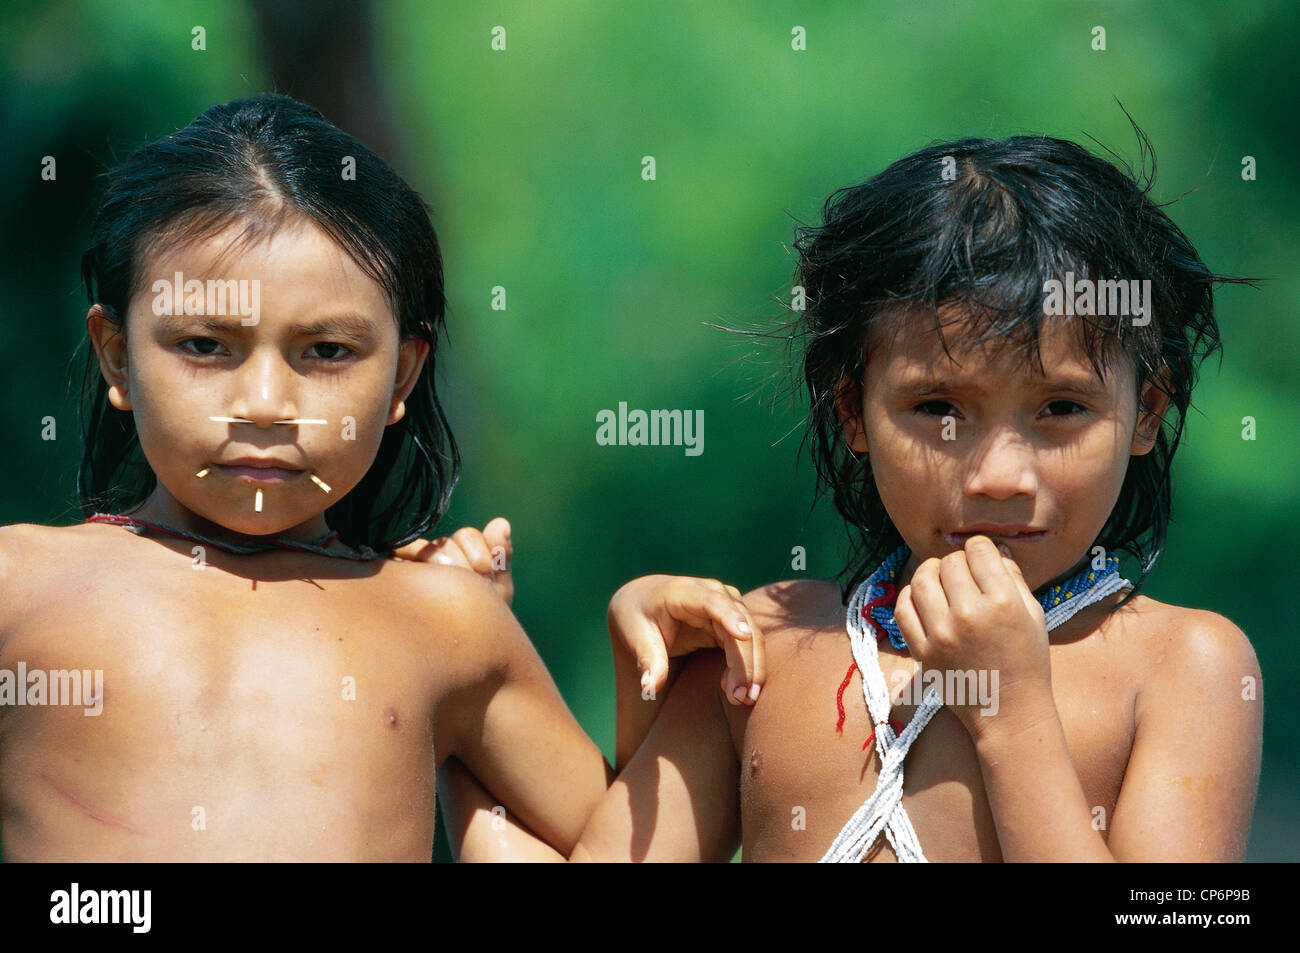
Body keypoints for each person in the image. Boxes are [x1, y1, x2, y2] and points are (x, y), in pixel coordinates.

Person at [443, 125, 1264, 862]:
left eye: (1062, 408)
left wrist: (1015, 718)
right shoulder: (768, 643)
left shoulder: (1187, 666)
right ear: (854, 412)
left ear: (1145, 412)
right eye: (938, 408)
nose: (999, 474)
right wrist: (466, 650)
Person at [0, 93, 760, 861]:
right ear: (116, 354)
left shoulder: (444, 621)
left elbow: (621, 855)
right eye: (204, 344)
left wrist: (650, 662)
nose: (265, 405)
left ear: (402, 374)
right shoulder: (20, 582)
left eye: (326, 351)